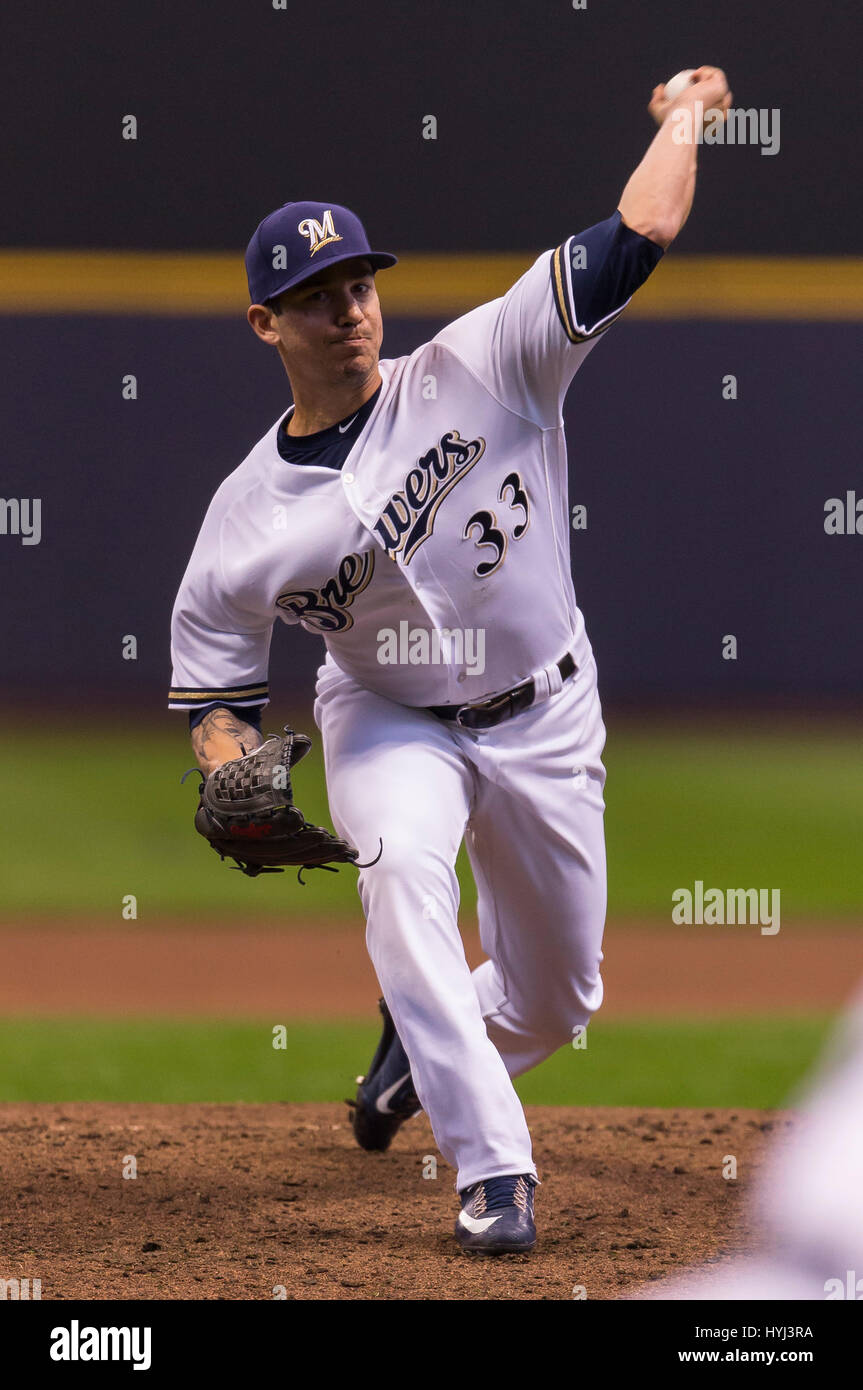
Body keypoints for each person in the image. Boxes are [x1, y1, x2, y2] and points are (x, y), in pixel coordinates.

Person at [170, 67, 731, 1254]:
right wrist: (224, 767)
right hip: (388, 718)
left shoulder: (486, 359)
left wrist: (681, 116)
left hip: (546, 715)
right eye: (314, 296)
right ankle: (494, 1176)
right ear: (266, 323)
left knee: (555, 998)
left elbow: (640, 232)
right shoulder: (243, 518)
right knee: (397, 877)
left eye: (358, 282)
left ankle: (410, 1060)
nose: (348, 308)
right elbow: (215, 693)